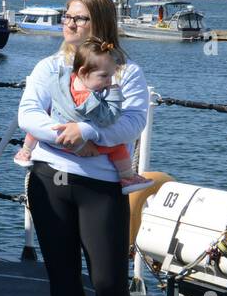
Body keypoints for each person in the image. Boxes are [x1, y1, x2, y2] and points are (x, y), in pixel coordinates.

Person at [17, 0, 152, 296]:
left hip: (100, 185)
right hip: (49, 178)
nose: (70, 24)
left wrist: (89, 129)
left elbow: (133, 121)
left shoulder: (126, 72)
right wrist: (67, 137)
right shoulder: (48, 67)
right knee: (61, 269)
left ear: (101, 24)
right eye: (67, 16)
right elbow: (28, 113)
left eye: (80, 18)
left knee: (108, 274)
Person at [14, 38, 155, 194]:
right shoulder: (91, 99)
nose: (109, 81)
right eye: (104, 76)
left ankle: (25, 151)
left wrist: (72, 134)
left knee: (36, 128)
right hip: (91, 173)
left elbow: (31, 116)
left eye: (79, 18)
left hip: (52, 165)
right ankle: (127, 177)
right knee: (118, 149)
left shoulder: (60, 77)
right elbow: (109, 118)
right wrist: (113, 94)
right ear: (83, 72)